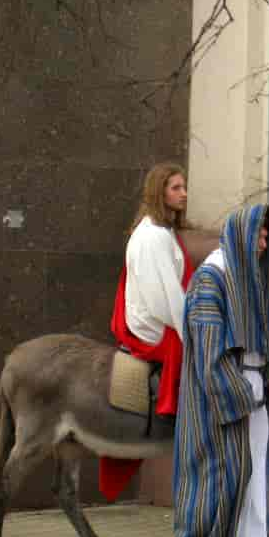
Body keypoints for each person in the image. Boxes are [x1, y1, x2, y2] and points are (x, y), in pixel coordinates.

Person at [172, 205, 269, 537]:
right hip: (223, 390)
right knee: (220, 467)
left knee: (251, 468)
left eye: (266, 236)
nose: (263, 242)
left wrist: (267, 384)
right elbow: (208, 344)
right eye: (258, 234)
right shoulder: (213, 277)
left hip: (251, 386)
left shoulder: (247, 278)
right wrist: (236, 391)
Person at [101, 163, 194, 501]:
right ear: (160, 192)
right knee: (192, 353)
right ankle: (178, 418)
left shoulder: (161, 230)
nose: (183, 193)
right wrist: (191, 330)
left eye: (184, 187)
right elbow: (164, 295)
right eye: (175, 188)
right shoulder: (153, 235)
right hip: (152, 324)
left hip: (159, 313)